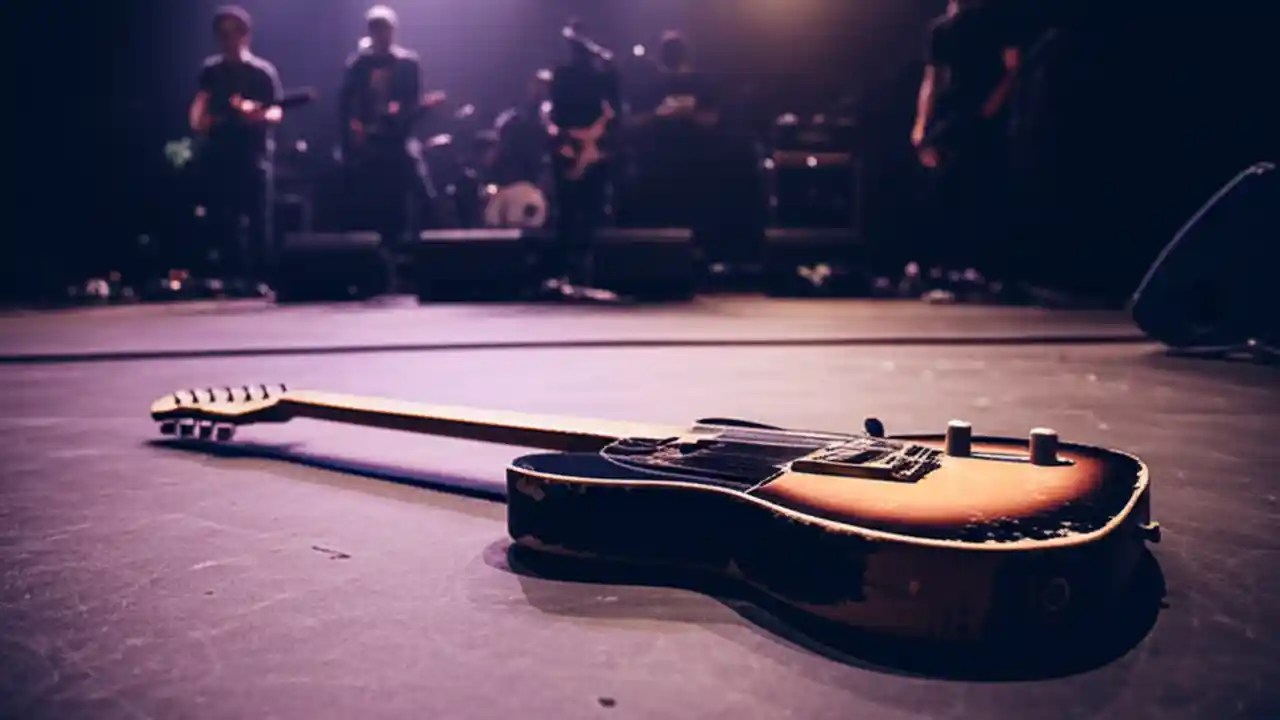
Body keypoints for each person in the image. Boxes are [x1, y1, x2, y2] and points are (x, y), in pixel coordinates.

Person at [910, 0, 1021, 290]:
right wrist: (922, 122)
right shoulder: (940, 30)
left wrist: (990, 108)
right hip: (949, 116)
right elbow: (931, 79)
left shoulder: (993, 22)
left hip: (984, 117)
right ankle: (942, 266)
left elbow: (1012, 68)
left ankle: (981, 268)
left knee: (980, 188)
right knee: (941, 186)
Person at [189, 5, 283, 295]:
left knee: (257, 219)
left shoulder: (262, 72)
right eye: (223, 33)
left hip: (253, 156)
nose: (229, 38)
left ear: (246, 35)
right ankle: (229, 278)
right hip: (220, 155)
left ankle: (259, 279)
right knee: (222, 217)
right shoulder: (211, 71)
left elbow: (276, 111)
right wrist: (201, 121)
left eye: (234, 32)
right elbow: (200, 109)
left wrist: (256, 114)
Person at [339, 5, 437, 247]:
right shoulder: (359, 65)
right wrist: (355, 129)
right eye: (377, 30)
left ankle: (415, 248)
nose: (382, 35)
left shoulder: (407, 63)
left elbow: (413, 103)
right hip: (369, 144)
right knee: (372, 201)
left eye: (386, 29)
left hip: (398, 139)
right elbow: (346, 103)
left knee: (417, 194)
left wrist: (402, 112)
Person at [548, 21, 620, 289]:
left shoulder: (604, 73)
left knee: (592, 209)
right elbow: (556, 113)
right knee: (568, 210)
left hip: (593, 148)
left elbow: (615, 111)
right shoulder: (563, 74)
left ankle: (589, 270)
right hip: (570, 146)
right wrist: (572, 138)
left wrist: (593, 136)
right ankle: (564, 270)